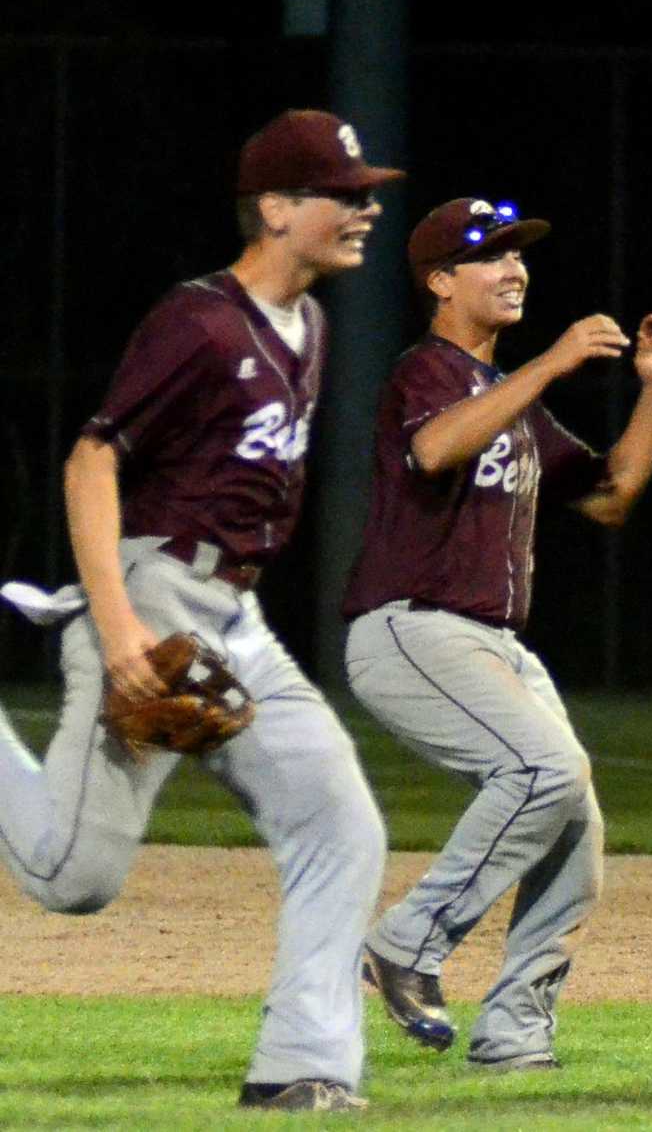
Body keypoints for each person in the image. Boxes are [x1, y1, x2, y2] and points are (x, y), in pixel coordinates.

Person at [0, 109, 399, 1113]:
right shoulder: (199, 321)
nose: (365, 207)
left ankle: (301, 1065)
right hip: (150, 593)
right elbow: (94, 458)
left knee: (338, 821)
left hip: (233, 615)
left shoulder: (311, 324)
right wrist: (120, 627)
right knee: (70, 875)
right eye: (342, 195)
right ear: (274, 207)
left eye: (365, 192)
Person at [344, 197, 652, 1071]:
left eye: (518, 254)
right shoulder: (424, 372)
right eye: (489, 255)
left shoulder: (512, 402)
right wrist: (550, 362)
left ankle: (514, 1034)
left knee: (576, 825)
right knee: (544, 769)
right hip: (413, 626)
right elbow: (432, 451)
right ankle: (407, 941)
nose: (513, 268)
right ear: (439, 281)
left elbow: (611, 495)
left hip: (494, 645)